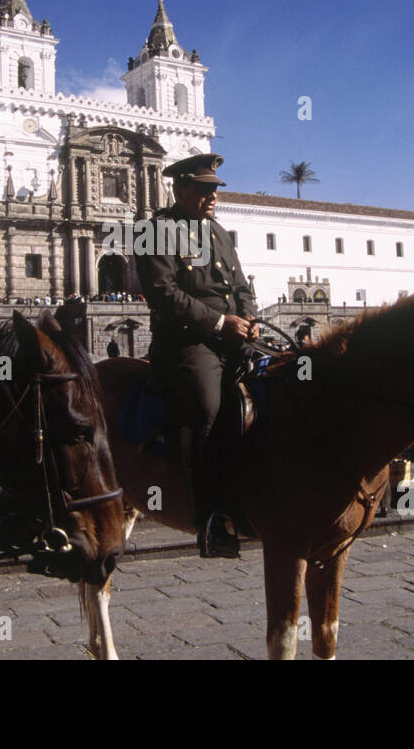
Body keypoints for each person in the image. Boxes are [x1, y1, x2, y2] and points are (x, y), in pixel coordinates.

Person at [135, 153, 258, 558]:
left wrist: (250, 317)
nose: (213, 197)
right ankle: (208, 515)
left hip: (233, 334)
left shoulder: (219, 232)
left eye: (215, 190)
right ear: (181, 189)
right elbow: (163, 293)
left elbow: (241, 284)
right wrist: (221, 323)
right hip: (187, 340)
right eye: (204, 190)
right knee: (207, 405)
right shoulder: (155, 230)